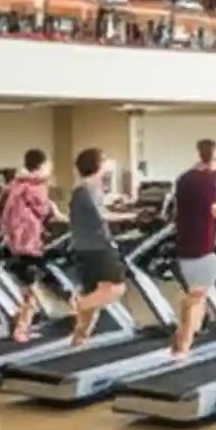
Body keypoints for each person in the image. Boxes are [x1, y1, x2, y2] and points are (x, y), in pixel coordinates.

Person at [172, 139, 216, 357]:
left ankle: (181, 340)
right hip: (202, 246)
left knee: (194, 294)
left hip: (185, 244)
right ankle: (183, 347)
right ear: (214, 157)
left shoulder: (184, 178)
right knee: (198, 297)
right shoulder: (208, 182)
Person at [0, 148, 67, 343]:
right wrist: (55, 212)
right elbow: (43, 210)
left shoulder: (14, 185)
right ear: (42, 165)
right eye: (48, 165)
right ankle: (20, 331)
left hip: (13, 242)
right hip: (28, 243)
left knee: (29, 289)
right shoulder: (36, 186)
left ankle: (18, 327)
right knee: (33, 292)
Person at [69, 148, 136, 346]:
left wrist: (114, 201)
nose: (108, 164)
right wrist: (131, 216)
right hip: (98, 248)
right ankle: (77, 304)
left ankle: (79, 340)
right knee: (116, 288)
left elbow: (96, 208)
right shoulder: (90, 187)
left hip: (83, 248)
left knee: (93, 296)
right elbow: (102, 216)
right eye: (104, 160)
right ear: (97, 165)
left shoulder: (83, 188)